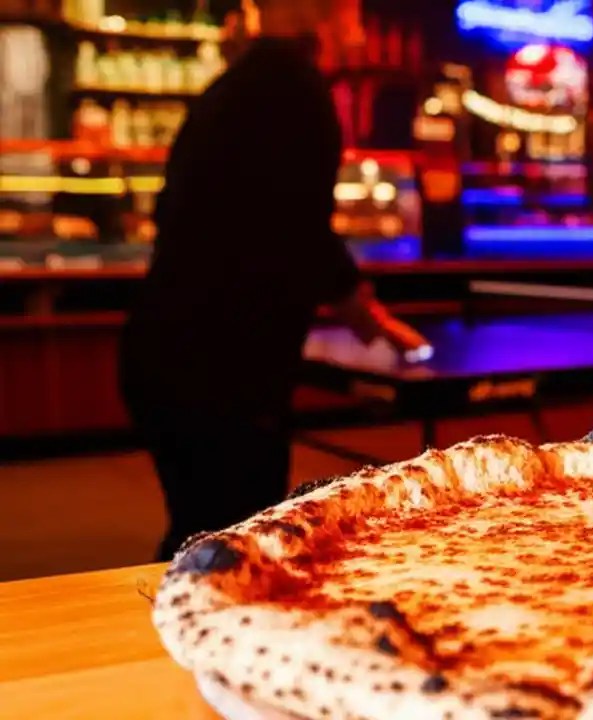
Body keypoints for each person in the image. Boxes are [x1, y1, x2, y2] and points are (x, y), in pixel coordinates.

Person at [120, 0, 426, 561]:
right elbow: (300, 227)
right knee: (235, 551)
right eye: (350, 15)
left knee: (201, 538)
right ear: (324, 22)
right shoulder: (297, 95)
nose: (357, 32)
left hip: (166, 355)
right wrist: (368, 316)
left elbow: (238, 218)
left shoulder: (235, 88)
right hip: (223, 368)